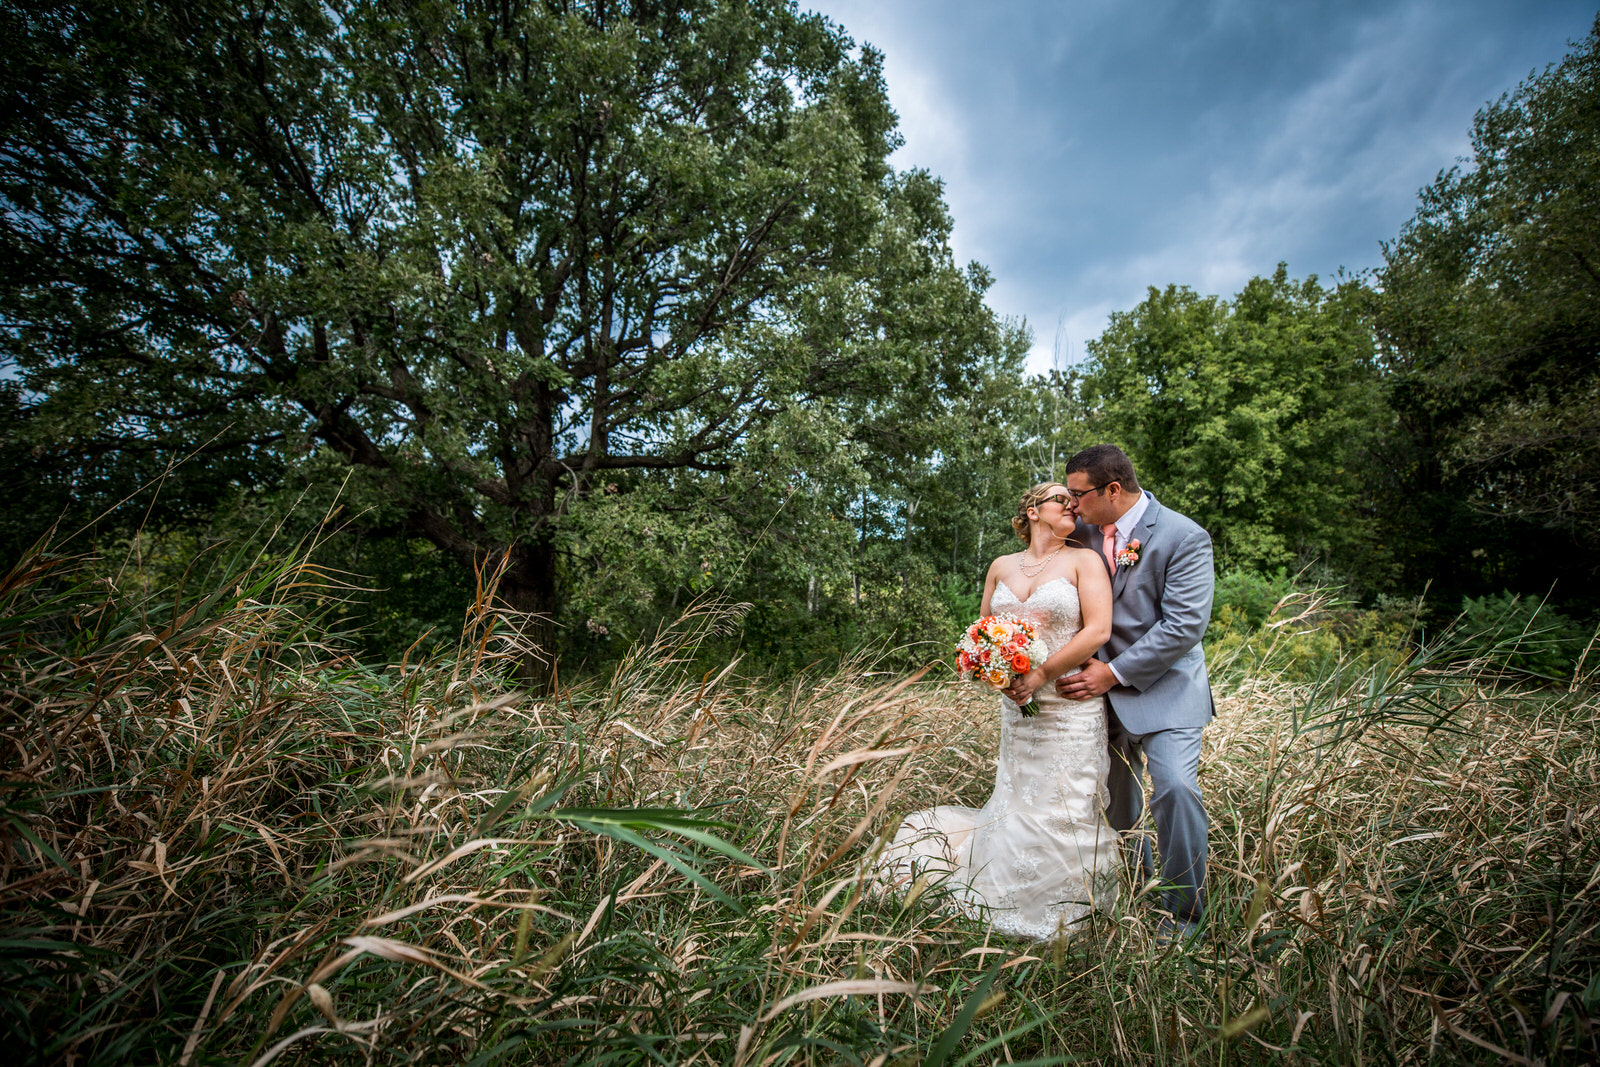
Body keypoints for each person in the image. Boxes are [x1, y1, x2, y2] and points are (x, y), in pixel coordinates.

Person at [878, 481, 1118, 940]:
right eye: (1059, 500)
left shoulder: (1084, 560)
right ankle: (1002, 889)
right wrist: (1001, 675)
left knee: (1065, 800)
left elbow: (1098, 631)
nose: (1072, 505)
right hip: (1018, 704)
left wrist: (1041, 673)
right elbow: (984, 631)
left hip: (1068, 700)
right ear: (1032, 511)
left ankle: (1068, 906)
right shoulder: (1000, 566)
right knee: (1017, 795)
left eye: (1074, 501)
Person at [1054, 445, 1214, 938]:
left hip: (1165, 689)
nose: (1073, 505)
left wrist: (1114, 673)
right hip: (1094, 699)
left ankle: (1184, 916)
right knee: (1117, 805)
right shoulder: (1078, 533)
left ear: (1113, 490)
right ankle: (1134, 888)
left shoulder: (1184, 536)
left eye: (1079, 495)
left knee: (1176, 788)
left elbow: (1184, 625)